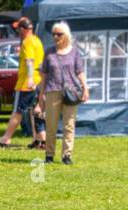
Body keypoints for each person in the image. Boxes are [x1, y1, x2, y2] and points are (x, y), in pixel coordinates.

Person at [0, 17, 46, 149]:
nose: (17, 31)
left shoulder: (27, 42)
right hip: (38, 80)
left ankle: (5, 139)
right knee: (36, 112)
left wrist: (29, 79)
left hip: (26, 83)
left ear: (23, 29)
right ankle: (40, 141)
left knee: (17, 111)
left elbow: (29, 61)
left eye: (18, 28)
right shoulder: (37, 40)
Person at [40, 21, 87, 165]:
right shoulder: (49, 52)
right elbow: (43, 75)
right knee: (51, 125)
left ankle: (67, 155)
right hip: (52, 91)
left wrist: (85, 87)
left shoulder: (75, 52)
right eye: (54, 34)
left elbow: (80, 72)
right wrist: (41, 94)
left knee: (69, 125)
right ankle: (49, 155)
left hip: (71, 92)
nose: (56, 36)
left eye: (59, 34)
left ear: (66, 35)